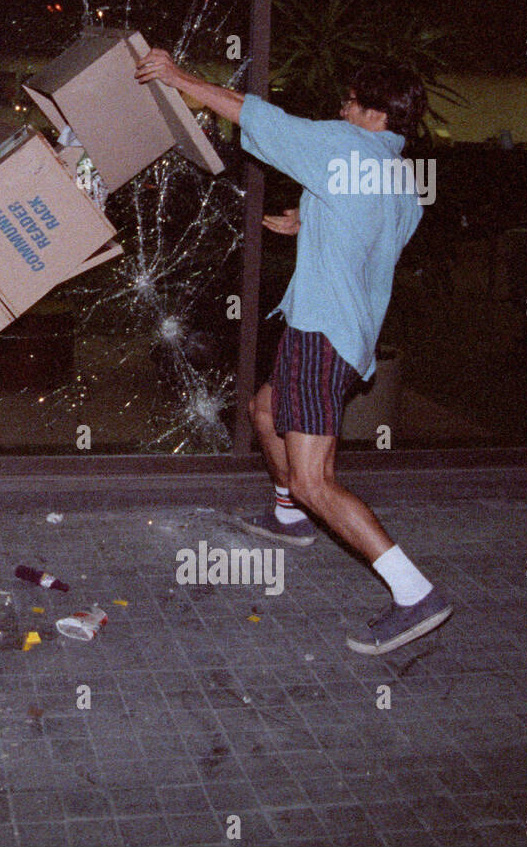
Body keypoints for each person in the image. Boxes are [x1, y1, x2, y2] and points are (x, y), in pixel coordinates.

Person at [135, 48, 451, 655]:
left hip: (321, 334)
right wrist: (310, 223)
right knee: (264, 409)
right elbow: (373, 232)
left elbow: (256, 116)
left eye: (352, 102)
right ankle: (288, 518)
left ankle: (415, 592)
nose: (342, 108)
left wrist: (177, 78)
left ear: (377, 116)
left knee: (315, 479)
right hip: (346, 332)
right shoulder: (402, 183)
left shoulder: (343, 145)